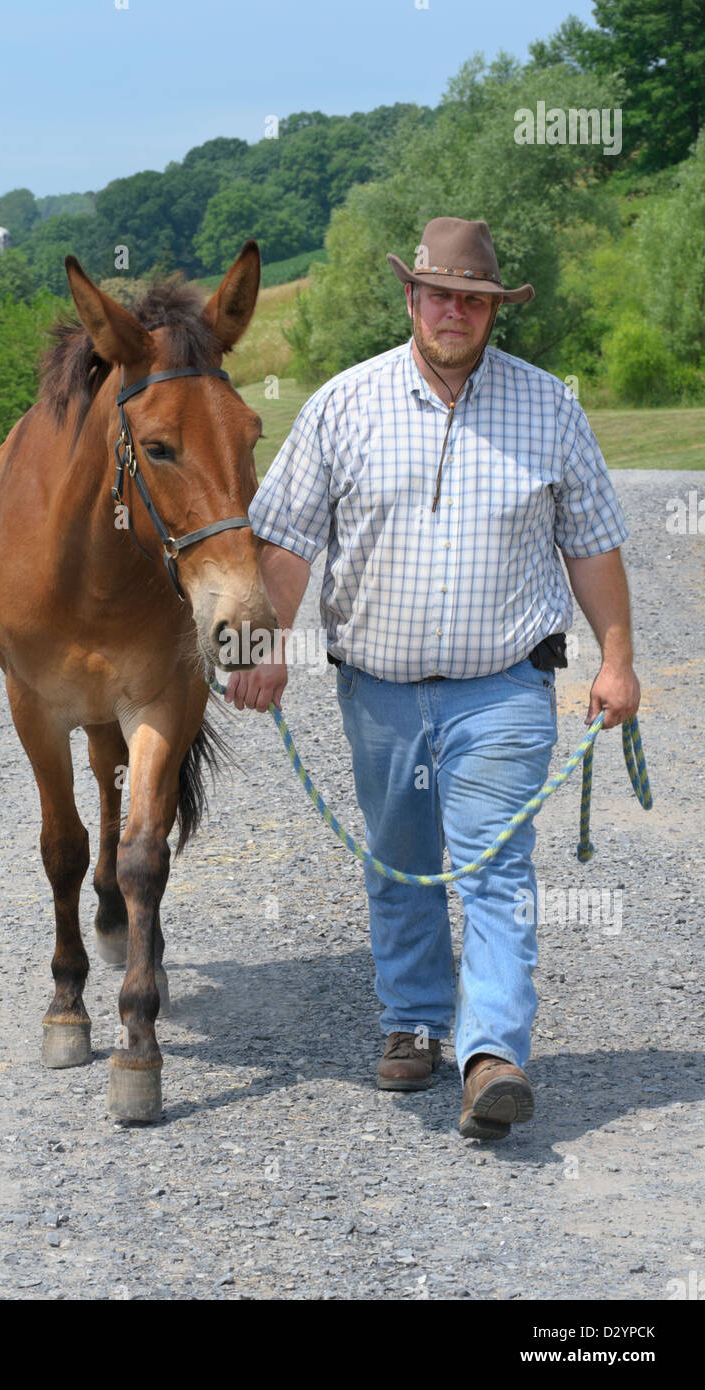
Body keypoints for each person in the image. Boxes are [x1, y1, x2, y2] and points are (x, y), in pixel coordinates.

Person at [225, 217, 640, 1140]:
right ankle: (412, 1021)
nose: (455, 311)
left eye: (474, 298)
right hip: (377, 687)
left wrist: (616, 658)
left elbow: (594, 543)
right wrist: (262, 646)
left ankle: (491, 1053)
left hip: (504, 688)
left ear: (494, 309)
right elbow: (286, 542)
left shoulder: (548, 408)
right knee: (403, 863)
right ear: (410, 298)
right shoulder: (342, 404)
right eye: (439, 294)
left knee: (496, 869)